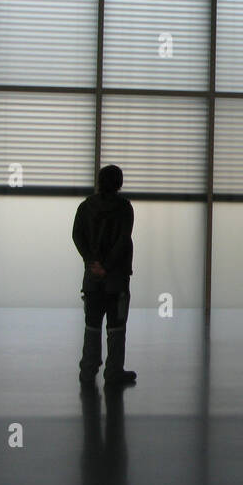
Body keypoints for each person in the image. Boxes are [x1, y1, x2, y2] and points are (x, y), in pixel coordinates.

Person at [72, 164, 137, 387]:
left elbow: (77, 236)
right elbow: (123, 240)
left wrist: (92, 263)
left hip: (92, 280)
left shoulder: (86, 207)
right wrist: (108, 267)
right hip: (116, 280)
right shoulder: (125, 208)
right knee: (116, 327)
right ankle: (113, 372)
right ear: (119, 183)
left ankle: (88, 370)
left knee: (92, 325)